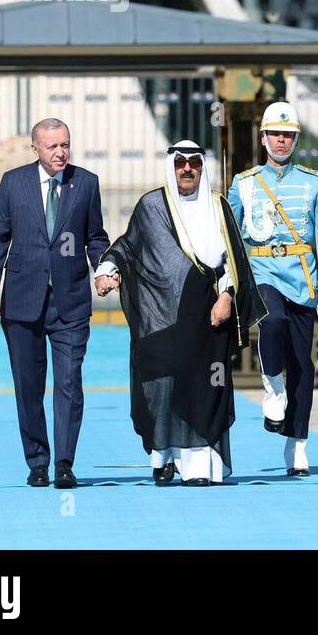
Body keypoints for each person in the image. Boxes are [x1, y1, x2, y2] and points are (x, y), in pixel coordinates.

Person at [94, 141, 266, 486]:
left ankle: (200, 466)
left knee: (207, 385)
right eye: (180, 164)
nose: (187, 169)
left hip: (209, 312)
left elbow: (234, 258)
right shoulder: (152, 205)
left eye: (194, 164)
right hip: (162, 317)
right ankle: (163, 456)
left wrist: (228, 296)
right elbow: (128, 247)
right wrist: (107, 270)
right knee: (162, 388)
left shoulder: (218, 206)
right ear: (171, 167)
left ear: (203, 167)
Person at [0, 118, 109, 489]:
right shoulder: (12, 183)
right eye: (52, 146)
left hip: (70, 302)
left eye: (65, 144)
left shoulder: (86, 183)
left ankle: (65, 463)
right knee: (28, 385)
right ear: (35, 148)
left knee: (69, 382)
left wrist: (104, 268)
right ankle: (37, 460)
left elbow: (95, 238)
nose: (60, 152)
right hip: (22, 300)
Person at [227, 102, 318, 477]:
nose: (281, 140)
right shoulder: (244, 183)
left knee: (303, 365)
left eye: (287, 135)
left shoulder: (313, 182)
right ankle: (272, 385)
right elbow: (230, 235)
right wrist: (229, 280)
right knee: (271, 323)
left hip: (303, 279)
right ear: (263, 138)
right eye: (275, 133)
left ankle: (298, 442)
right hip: (263, 273)